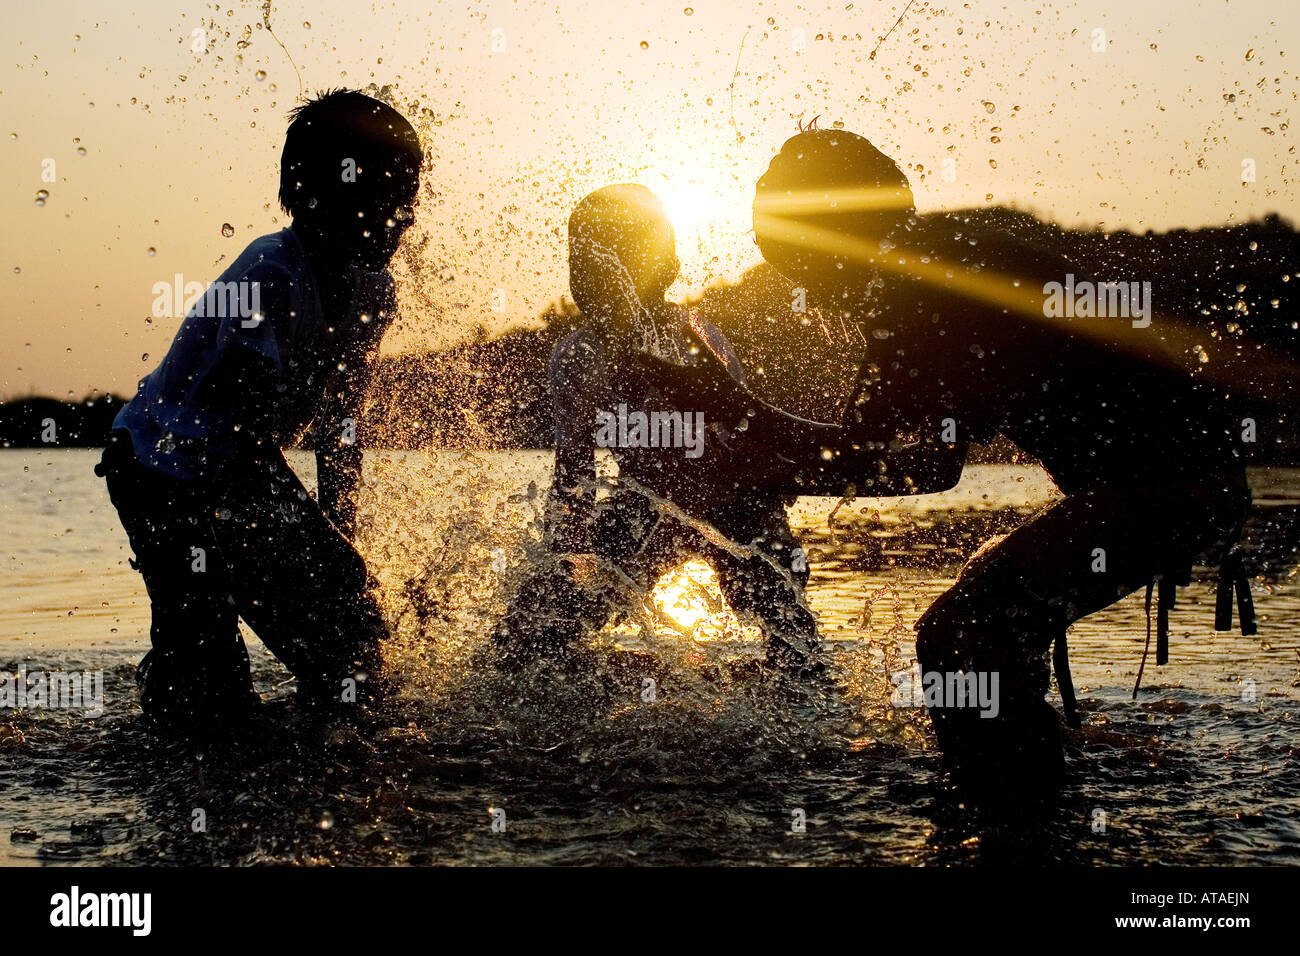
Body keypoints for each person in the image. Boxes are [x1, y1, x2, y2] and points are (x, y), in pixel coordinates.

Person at [750, 127, 1253, 801]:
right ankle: (1032, 775)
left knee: (960, 632)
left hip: (1173, 482)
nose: (813, 295)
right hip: (1180, 475)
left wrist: (761, 462)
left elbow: (927, 464)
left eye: (799, 265)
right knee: (985, 604)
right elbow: (862, 441)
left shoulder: (918, 284)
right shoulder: (926, 263)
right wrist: (763, 444)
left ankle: (1013, 809)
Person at [97, 89, 422, 739]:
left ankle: (326, 744)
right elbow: (242, 443)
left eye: (410, 198)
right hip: (158, 470)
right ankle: (174, 726)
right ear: (318, 196)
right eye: (385, 197)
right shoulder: (271, 275)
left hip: (229, 468)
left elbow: (341, 428)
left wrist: (339, 536)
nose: (403, 218)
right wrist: (323, 563)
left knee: (349, 624)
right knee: (210, 669)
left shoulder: (371, 291)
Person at [492, 184, 824, 673]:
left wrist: (772, 509)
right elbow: (572, 478)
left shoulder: (693, 339)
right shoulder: (575, 358)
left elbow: (741, 435)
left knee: (784, 618)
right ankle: (530, 685)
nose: (597, 278)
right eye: (581, 265)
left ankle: (805, 689)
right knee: (532, 626)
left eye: (616, 260)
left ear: (666, 266)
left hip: (730, 506)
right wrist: (556, 564)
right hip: (642, 506)